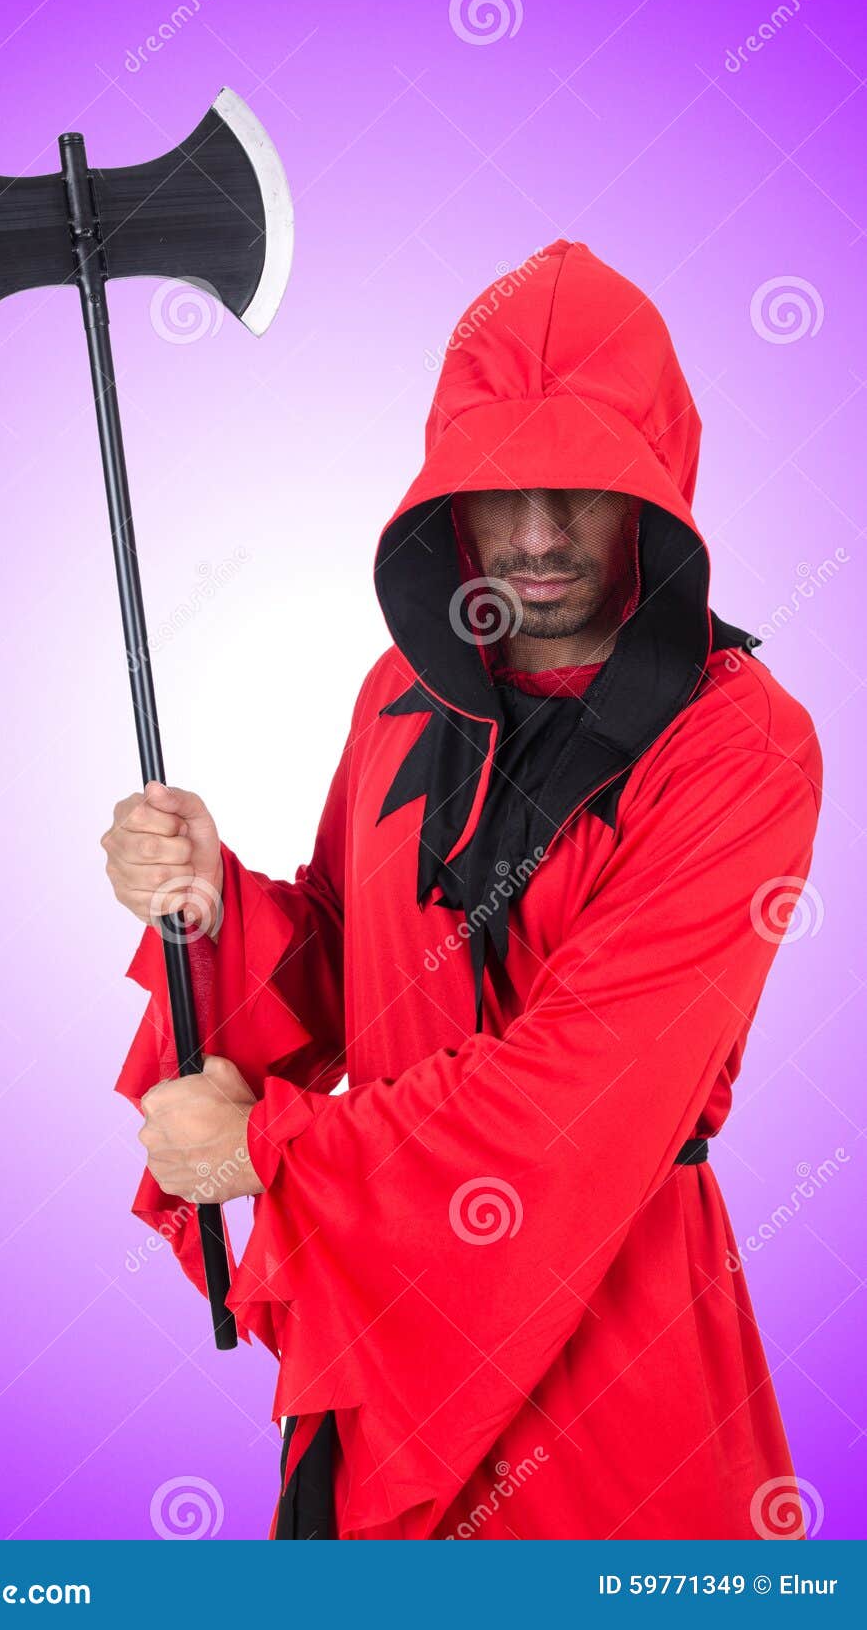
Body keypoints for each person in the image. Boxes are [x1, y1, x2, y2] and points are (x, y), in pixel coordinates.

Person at [102, 239, 822, 1540]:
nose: (538, 537)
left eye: (583, 489)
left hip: (616, 1371)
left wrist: (270, 1148)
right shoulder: (398, 694)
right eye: (502, 489)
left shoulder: (741, 748)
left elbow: (578, 1094)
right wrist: (210, 896)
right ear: (450, 498)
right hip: (380, 1366)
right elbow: (335, 957)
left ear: (654, 497)